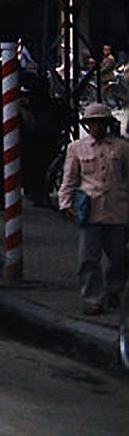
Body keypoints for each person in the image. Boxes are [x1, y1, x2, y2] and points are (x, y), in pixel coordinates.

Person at [56, 102, 129, 315]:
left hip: (118, 211)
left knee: (118, 258)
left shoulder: (122, 148)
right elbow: (69, 179)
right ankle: (93, 298)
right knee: (88, 259)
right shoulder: (76, 148)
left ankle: (114, 289)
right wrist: (65, 203)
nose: (96, 127)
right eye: (92, 123)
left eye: (100, 123)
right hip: (91, 211)